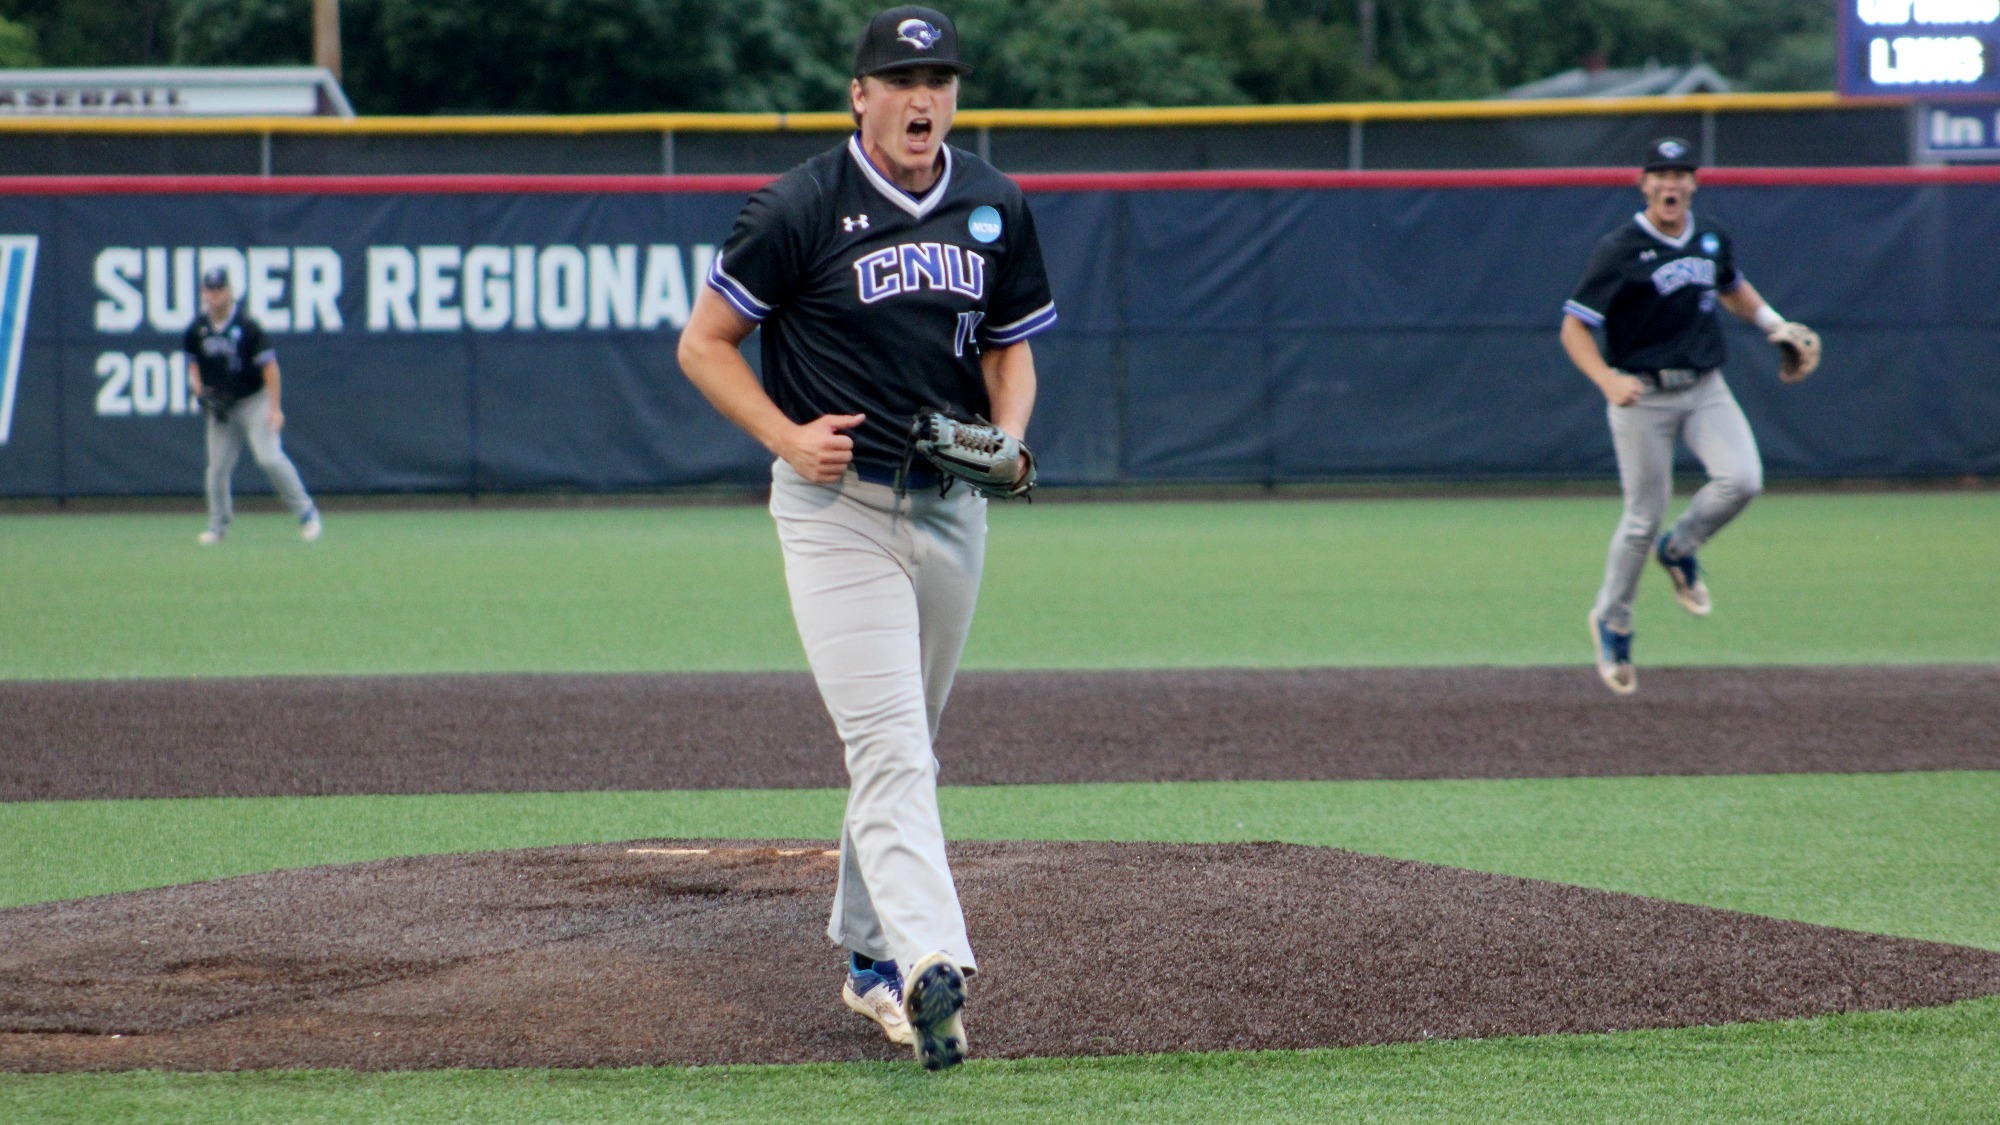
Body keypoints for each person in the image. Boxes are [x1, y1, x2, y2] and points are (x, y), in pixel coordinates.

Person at [675, 6, 1055, 1071]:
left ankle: (858, 953)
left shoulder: (992, 204)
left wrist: (1007, 439)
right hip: (836, 514)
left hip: (950, 506)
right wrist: (785, 438)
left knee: (904, 747)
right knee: (889, 748)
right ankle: (928, 963)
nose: (921, 96)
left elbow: (1011, 352)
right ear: (858, 94)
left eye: (937, 77)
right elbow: (703, 346)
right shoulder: (796, 207)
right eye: (898, 77)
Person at [1561, 138, 1816, 694]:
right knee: (1640, 518)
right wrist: (1606, 379)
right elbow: (1574, 326)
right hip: (1642, 396)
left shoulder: (1709, 235)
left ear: (1694, 184)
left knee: (1744, 480)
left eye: (1680, 174)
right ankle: (1613, 619)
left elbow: (1730, 287)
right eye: (1660, 175)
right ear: (1644, 184)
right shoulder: (1620, 249)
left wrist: (1773, 323)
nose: (1670, 184)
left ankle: (1681, 549)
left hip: (1704, 387)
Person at [184, 267, 321, 545]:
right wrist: (199, 392)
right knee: (217, 469)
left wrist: (275, 408)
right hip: (221, 406)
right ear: (203, 293)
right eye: (210, 289)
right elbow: (192, 363)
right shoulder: (197, 329)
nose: (215, 295)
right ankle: (218, 526)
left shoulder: (247, 327)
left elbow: (270, 368)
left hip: (253, 401)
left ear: (230, 291)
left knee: (269, 458)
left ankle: (306, 512)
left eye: (220, 289)